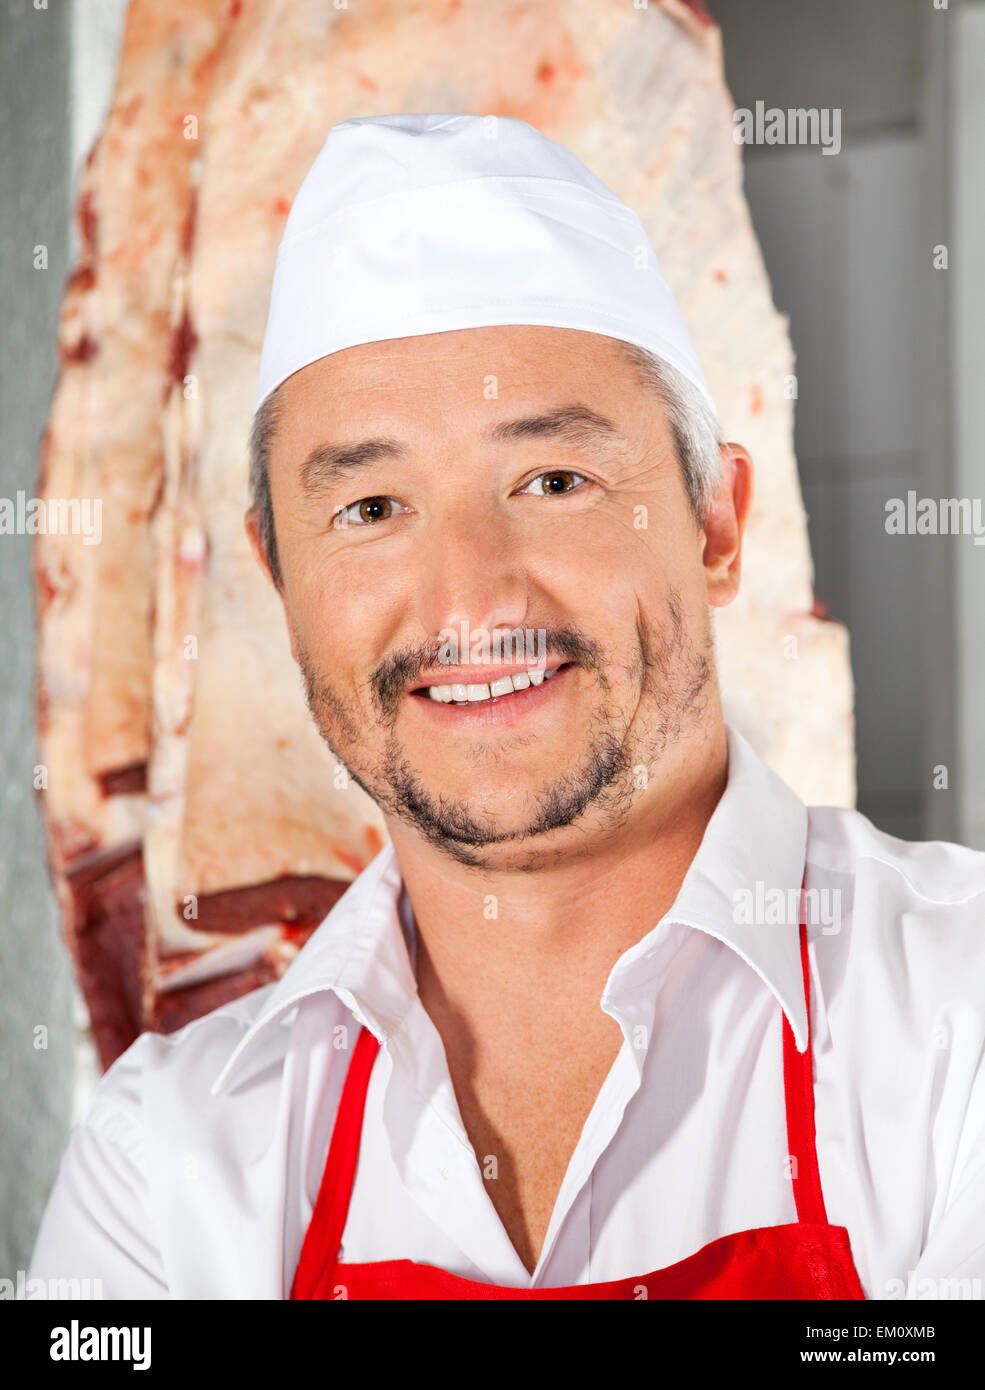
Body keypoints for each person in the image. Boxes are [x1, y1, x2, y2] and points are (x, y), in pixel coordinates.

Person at [27, 114, 985, 1300]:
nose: (471, 597)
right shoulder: (167, 1167)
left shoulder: (960, 1009)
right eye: (371, 508)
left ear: (716, 526)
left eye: (553, 480)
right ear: (280, 583)